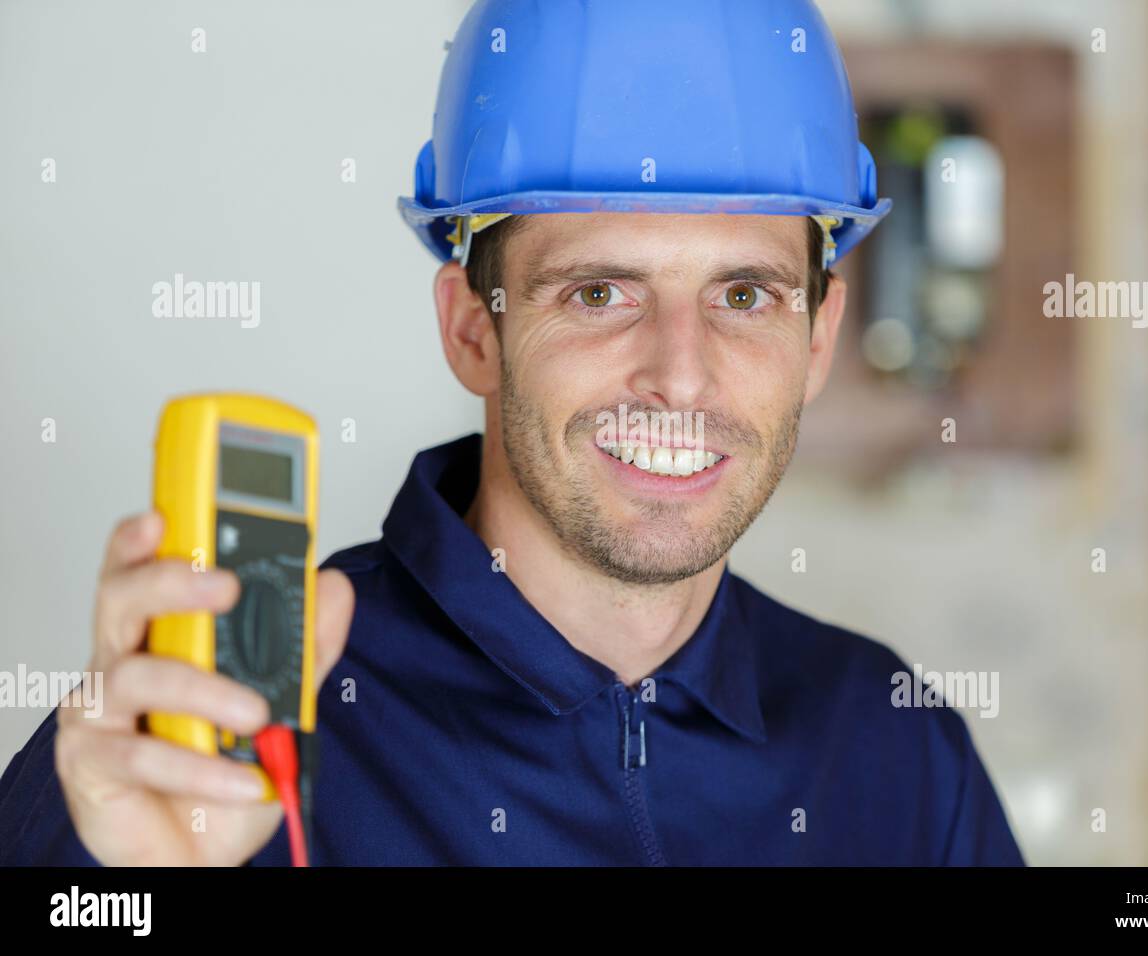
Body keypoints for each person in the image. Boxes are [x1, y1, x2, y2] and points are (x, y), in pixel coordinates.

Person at [0, 0, 1023, 865]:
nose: (679, 373)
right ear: (469, 330)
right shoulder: (203, 737)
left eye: (745, 293)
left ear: (817, 337)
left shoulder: (893, 749)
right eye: (599, 291)